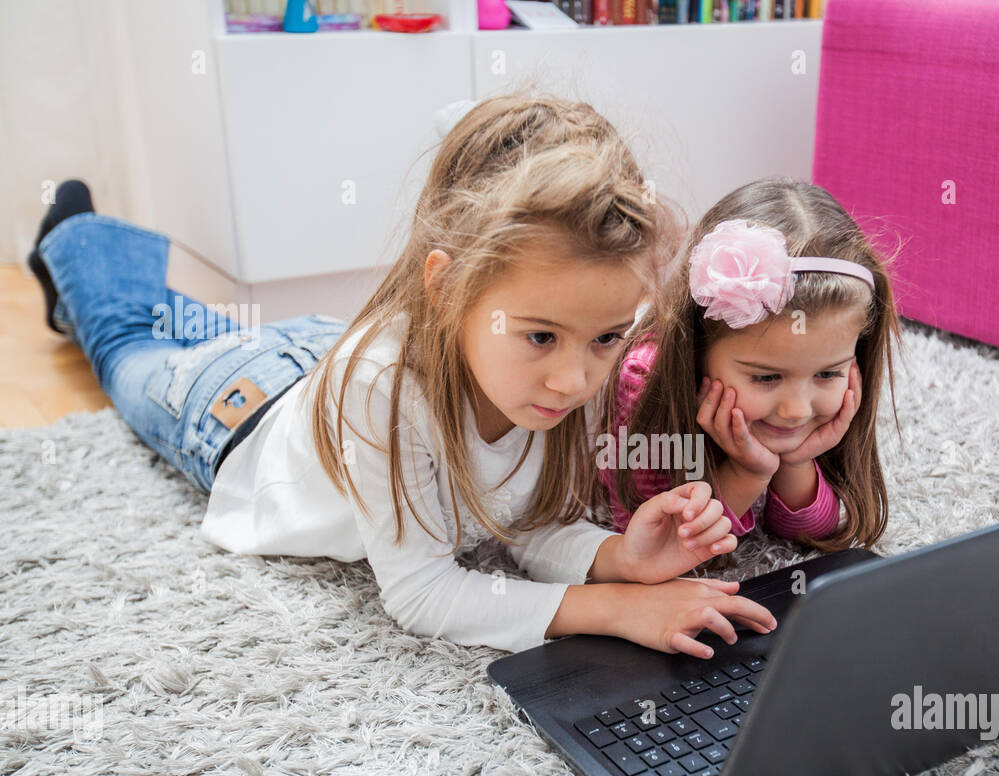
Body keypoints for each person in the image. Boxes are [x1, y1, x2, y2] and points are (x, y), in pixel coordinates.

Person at [28, 91, 778, 657]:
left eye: (608, 338)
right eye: (541, 336)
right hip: (238, 409)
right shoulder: (384, 386)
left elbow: (529, 522)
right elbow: (421, 593)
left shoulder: (565, 356)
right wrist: (611, 609)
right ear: (446, 288)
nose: (574, 380)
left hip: (319, 358)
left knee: (183, 322)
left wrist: (618, 558)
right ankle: (72, 230)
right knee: (130, 343)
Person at [597, 177, 903, 555]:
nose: (796, 410)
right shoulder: (644, 380)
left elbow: (814, 532)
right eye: (766, 377)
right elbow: (655, 551)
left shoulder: (816, 404)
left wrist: (797, 460)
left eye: (827, 373)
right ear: (698, 346)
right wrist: (748, 473)